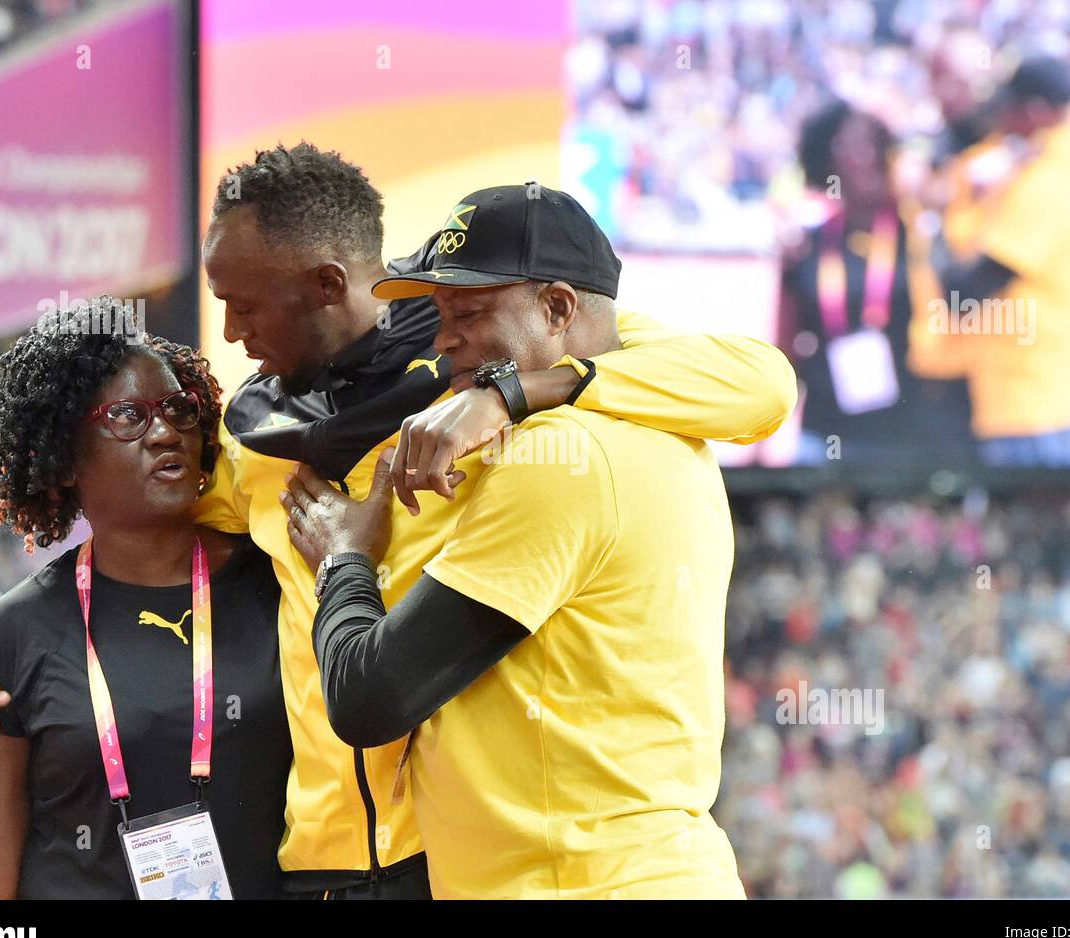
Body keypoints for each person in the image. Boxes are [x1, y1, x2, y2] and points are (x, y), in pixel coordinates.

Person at [0, 145, 797, 899]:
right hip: (312, 863)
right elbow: (126, 534)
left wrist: (515, 390)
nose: (226, 329)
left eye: (246, 305)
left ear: (327, 285)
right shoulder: (248, 441)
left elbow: (759, 383)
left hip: (442, 857)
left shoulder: (481, 364)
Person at [284, 184, 746, 898]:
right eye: (439, 316)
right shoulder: (662, 419)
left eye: (468, 314)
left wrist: (346, 562)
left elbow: (367, 699)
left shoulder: (562, 458)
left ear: (559, 308)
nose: (442, 342)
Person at [0, 300, 292, 899]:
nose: (165, 431)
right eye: (128, 415)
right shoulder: (11, 633)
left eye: (179, 409)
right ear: (66, 458)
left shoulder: (277, 583)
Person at [909, 56, 1070, 467]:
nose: (1002, 120)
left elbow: (964, 293)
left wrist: (936, 217)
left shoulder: (1048, 181)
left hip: (1037, 405)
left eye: (1011, 109)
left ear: (1038, 112)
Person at [781, 100, 976, 466]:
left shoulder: (922, 234)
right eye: (850, 147)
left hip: (912, 435)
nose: (865, 158)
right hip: (826, 433)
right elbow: (784, 350)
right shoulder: (807, 244)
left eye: (876, 145)